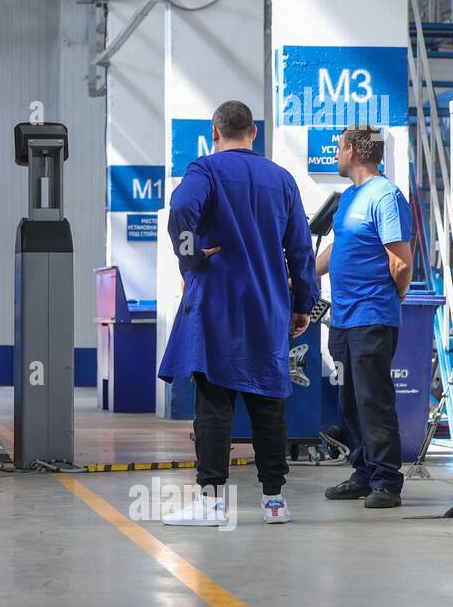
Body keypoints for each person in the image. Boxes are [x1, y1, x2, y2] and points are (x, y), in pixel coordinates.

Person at [159, 101, 319, 527]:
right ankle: (274, 502)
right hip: (267, 309)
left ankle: (212, 503)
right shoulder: (281, 179)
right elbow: (300, 249)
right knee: (269, 405)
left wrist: (191, 257)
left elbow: (181, 210)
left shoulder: (205, 170)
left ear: (215, 132)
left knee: (214, 405)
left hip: (217, 308)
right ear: (253, 132)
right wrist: (303, 304)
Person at [317, 124, 413, 509]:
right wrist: (300, 275)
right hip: (343, 319)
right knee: (350, 402)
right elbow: (338, 248)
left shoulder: (385, 196)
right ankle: (363, 473)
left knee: (373, 401)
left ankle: (386, 481)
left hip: (372, 316)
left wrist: (394, 297)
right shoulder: (350, 197)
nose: (336, 154)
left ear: (354, 151)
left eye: (339, 148)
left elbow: (401, 261)